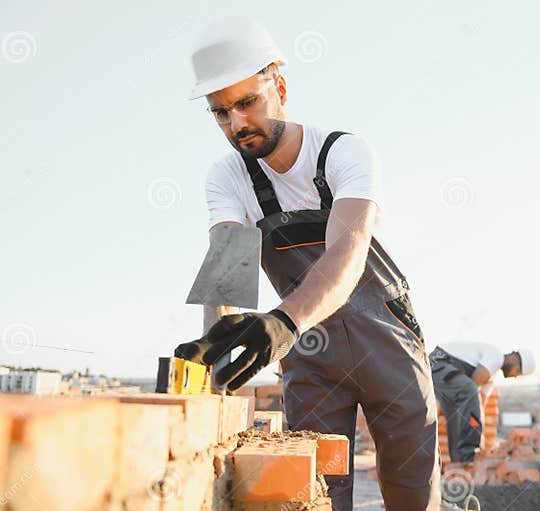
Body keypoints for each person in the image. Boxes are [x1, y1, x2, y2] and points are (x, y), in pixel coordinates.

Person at [173, 19, 441, 510]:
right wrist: (216, 347)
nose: (237, 125)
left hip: (383, 336)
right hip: (310, 350)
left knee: (411, 489)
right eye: (221, 113)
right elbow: (227, 263)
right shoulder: (228, 176)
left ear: (280, 87)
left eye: (247, 102)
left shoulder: (343, 151)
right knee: (314, 489)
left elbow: (350, 247)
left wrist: (283, 321)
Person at [429, 342, 535, 463]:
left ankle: (458, 462)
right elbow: (472, 388)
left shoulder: (490, 377)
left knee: (456, 418)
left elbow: (479, 407)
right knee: (469, 392)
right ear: (516, 361)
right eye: (518, 373)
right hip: (439, 361)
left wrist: (480, 432)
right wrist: (476, 436)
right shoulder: (496, 357)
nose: (514, 376)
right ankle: (470, 454)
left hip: (446, 374)